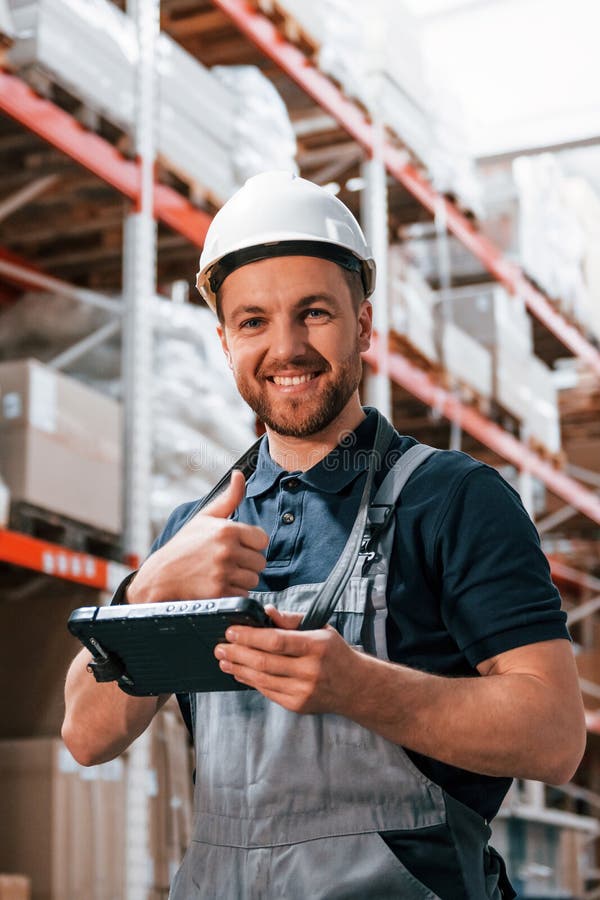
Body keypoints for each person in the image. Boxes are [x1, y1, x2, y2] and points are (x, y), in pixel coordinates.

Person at [62, 171, 585, 899]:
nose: (286, 348)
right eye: (253, 322)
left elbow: (555, 736)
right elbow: (86, 735)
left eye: (313, 313)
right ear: (225, 341)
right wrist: (146, 592)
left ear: (363, 326)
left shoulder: (453, 499)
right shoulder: (194, 530)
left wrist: (358, 687)